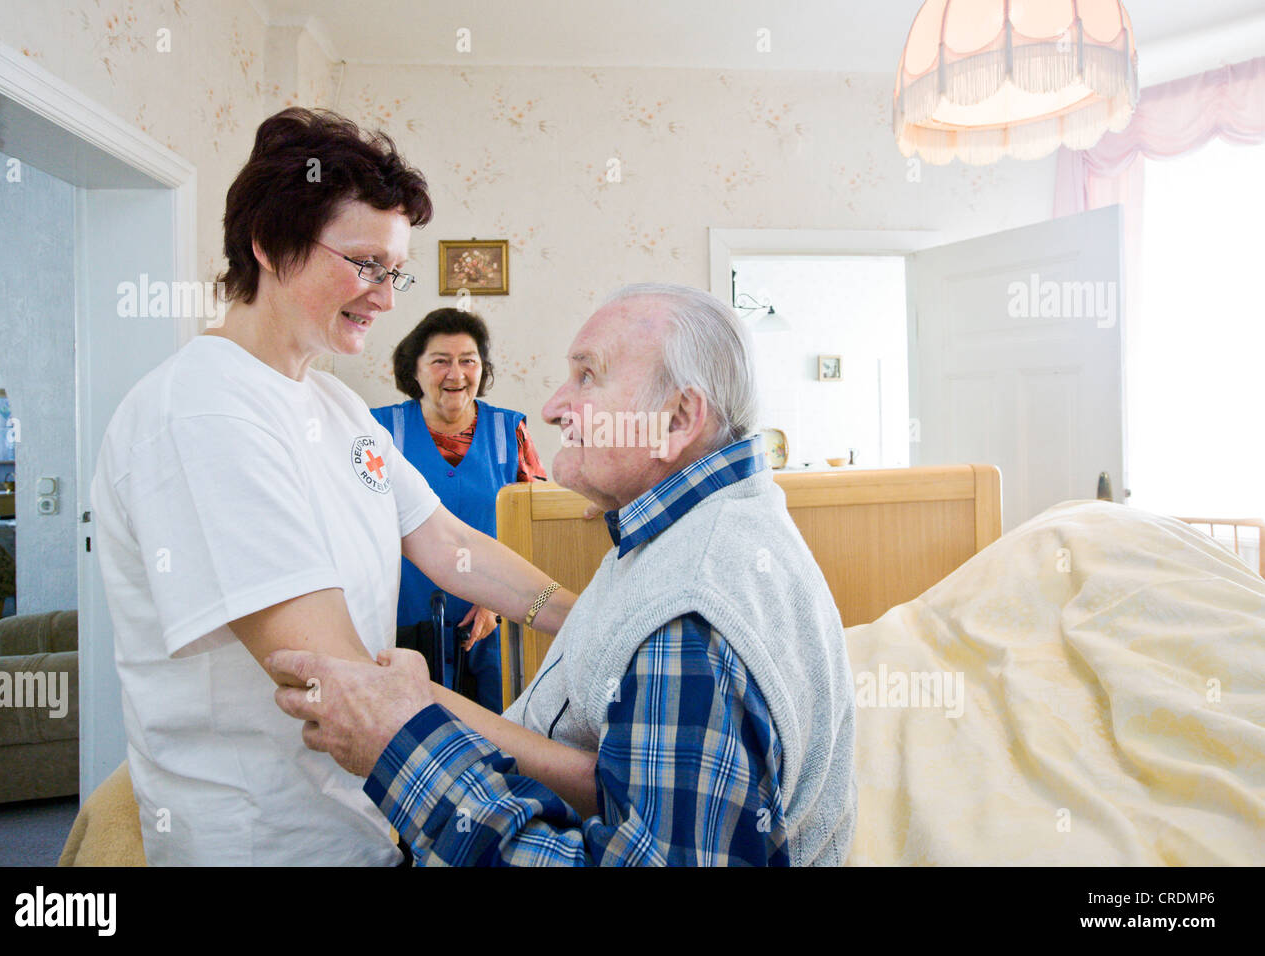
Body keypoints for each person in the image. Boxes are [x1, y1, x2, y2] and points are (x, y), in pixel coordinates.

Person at [89, 107, 587, 866]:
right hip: (267, 845)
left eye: (395, 270)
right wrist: (586, 780)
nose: (387, 298)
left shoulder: (336, 406)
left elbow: (446, 543)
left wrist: (592, 622)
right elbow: (347, 686)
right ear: (269, 244)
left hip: (360, 823)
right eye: (364, 264)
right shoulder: (201, 415)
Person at [270, 283, 858, 866]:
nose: (552, 407)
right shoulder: (703, 526)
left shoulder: (686, 619)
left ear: (678, 419)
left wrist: (405, 746)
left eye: (587, 376)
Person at [371, 308, 547, 714]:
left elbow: (534, 524)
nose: (456, 374)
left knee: (500, 736)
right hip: (403, 624)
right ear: (413, 370)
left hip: (494, 629)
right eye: (440, 361)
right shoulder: (379, 432)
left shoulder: (510, 432)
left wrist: (495, 601)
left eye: (468, 360)